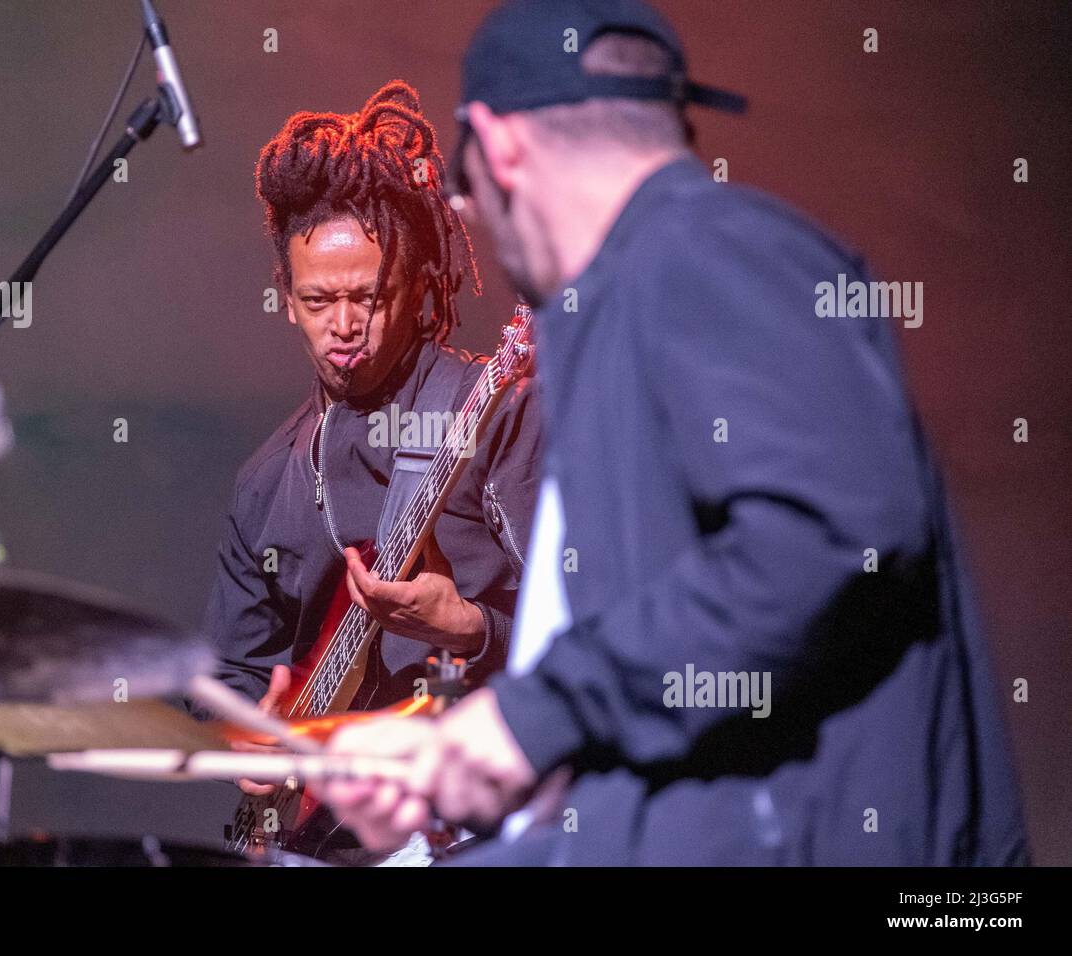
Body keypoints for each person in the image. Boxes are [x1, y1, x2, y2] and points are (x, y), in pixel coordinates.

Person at [318, 0, 1028, 866]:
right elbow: (695, 687)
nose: (469, 217)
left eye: (460, 193)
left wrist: (537, 717)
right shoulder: (645, 298)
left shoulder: (707, 249)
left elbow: (827, 536)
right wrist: (457, 760)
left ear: (500, 146)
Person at [203, 81, 541, 810]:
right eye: (320, 301)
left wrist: (473, 628)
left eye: (370, 297)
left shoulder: (492, 414)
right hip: (322, 832)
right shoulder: (266, 481)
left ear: (417, 288)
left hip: (476, 819)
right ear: (287, 300)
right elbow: (232, 672)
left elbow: (593, 625)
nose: (345, 324)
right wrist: (244, 737)